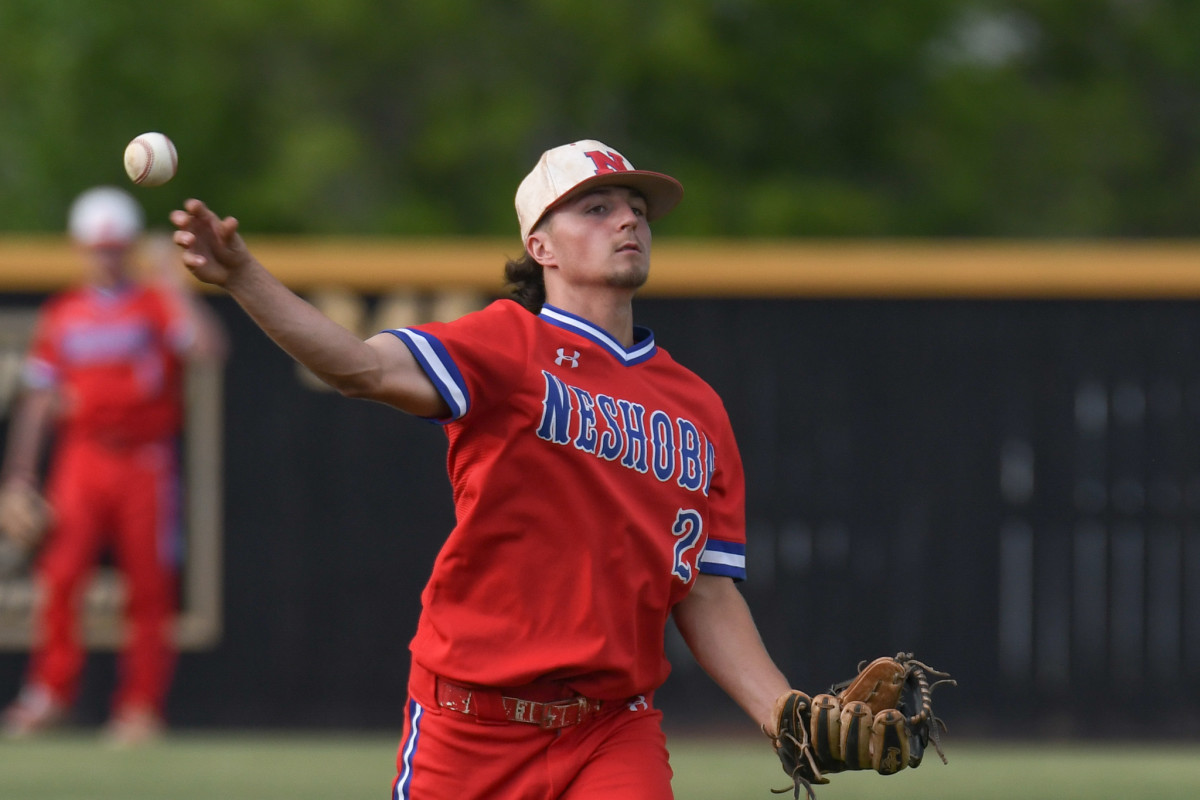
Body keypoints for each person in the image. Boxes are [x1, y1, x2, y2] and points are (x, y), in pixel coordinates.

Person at [168, 140, 794, 798]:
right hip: (472, 726)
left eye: (637, 209)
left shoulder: (697, 407)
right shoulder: (507, 345)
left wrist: (781, 713)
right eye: (597, 207)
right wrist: (243, 277)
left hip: (610, 730)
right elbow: (359, 366)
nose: (628, 221)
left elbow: (705, 592)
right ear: (541, 247)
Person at [0, 186, 226, 745]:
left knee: (149, 585)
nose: (106, 257)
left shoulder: (153, 303)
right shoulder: (65, 313)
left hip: (145, 460)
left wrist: (174, 287)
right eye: (97, 248)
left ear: (127, 248)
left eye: (115, 247)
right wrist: (21, 474)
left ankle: (141, 707)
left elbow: (207, 348)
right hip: (81, 457)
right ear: (82, 250)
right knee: (59, 577)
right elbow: (39, 397)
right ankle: (51, 692)